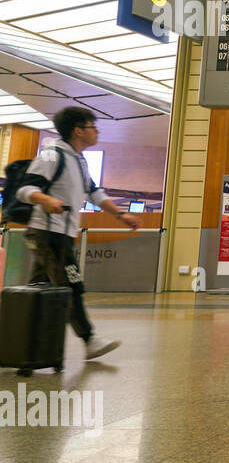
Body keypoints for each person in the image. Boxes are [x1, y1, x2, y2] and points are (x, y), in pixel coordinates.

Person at [15, 107, 141, 360]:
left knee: (38, 288)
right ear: (77, 131)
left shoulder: (79, 160)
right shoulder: (52, 155)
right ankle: (89, 339)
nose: (97, 131)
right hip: (48, 232)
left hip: (60, 233)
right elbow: (24, 189)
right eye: (93, 127)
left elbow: (94, 193)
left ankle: (16, 337)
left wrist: (121, 215)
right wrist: (45, 199)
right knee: (71, 284)